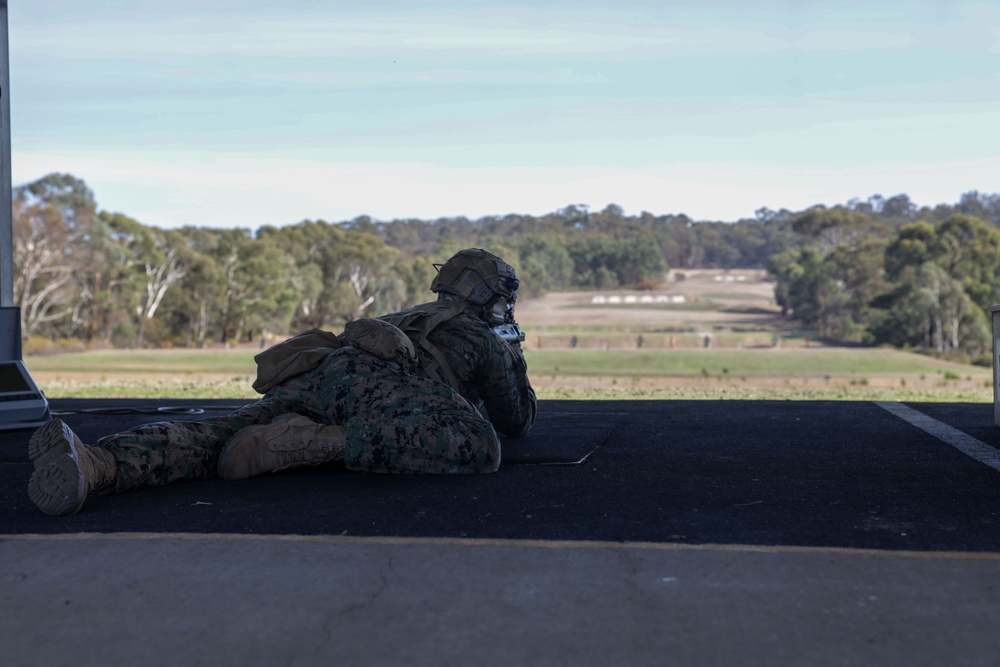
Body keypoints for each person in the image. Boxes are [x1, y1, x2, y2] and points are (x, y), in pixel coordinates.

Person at [27, 248, 536, 516]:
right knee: (476, 445)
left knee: (219, 436)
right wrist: (514, 360)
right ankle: (320, 442)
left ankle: (97, 464)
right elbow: (515, 421)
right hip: (381, 391)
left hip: (328, 372)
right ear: (492, 298)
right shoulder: (483, 338)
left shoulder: (407, 314)